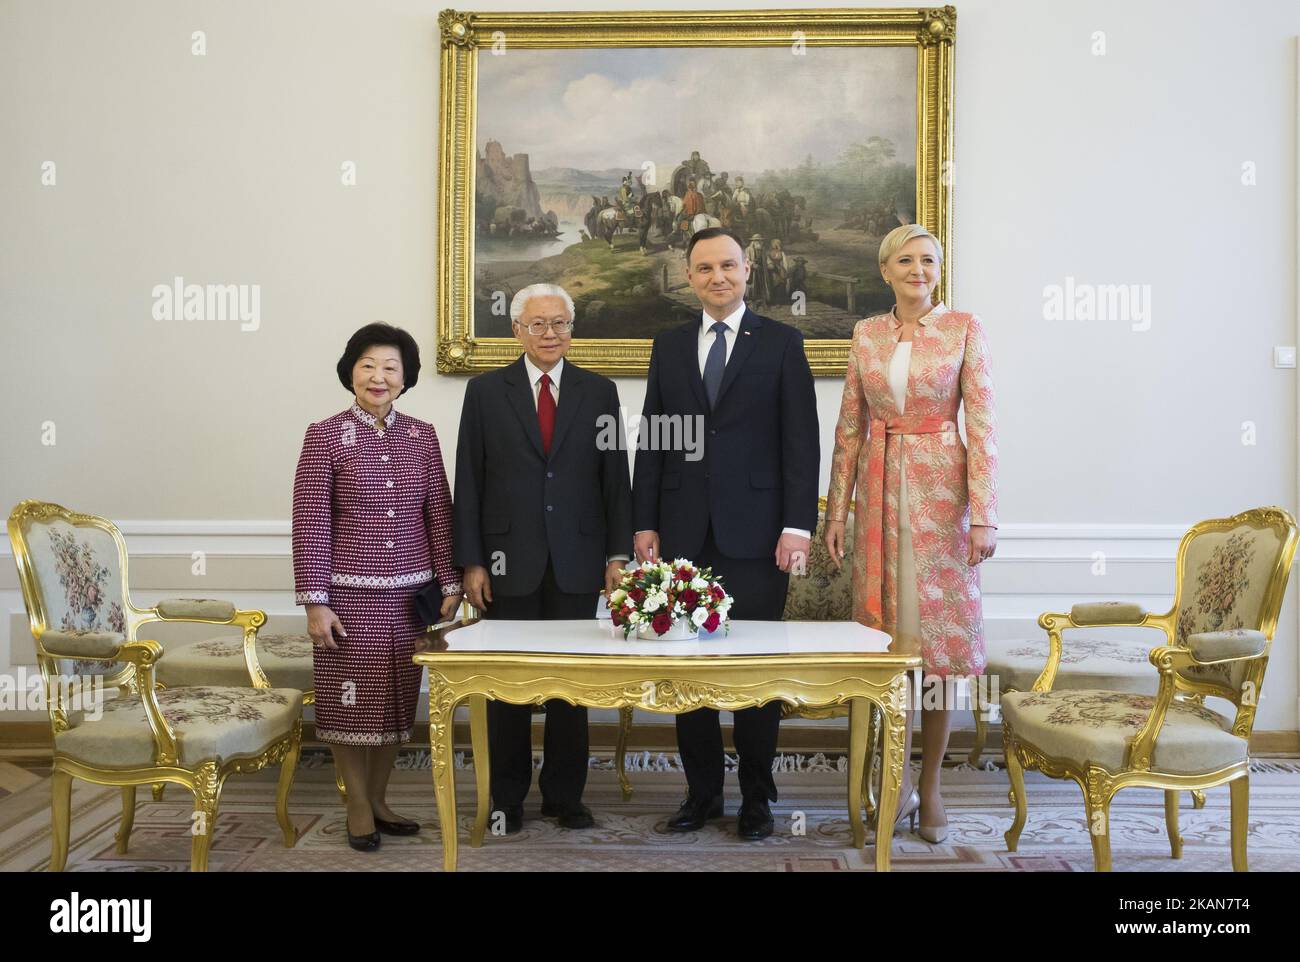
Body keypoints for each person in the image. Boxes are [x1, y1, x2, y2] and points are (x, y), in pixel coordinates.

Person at [632, 227, 819, 840]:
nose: (718, 276)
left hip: (760, 536)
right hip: (685, 533)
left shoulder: (784, 343)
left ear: (748, 270)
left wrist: (797, 526)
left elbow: (801, 443)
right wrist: (645, 522)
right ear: (690, 277)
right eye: (705, 267)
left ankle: (758, 800)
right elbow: (655, 440)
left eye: (729, 266)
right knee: (689, 676)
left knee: (756, 674)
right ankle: (702, 795)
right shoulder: (668, 344)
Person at [825, 224, 998, 843]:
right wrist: (836, 513)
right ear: (885, 270)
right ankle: (888, 780)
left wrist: (984, 514)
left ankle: (929, 786)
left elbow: (982, 426)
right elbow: (849, 427)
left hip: (942, 502)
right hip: (877, 496)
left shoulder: (963, 329)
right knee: (885, 649)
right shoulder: (866, 333)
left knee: (936, 658)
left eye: (929, 259)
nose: (919, 269)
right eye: (907, 259)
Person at [454, 283, 633, 833]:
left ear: (571, 330)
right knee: (508, 687)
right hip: (508, 561)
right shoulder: (486, 392)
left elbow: (614, 483)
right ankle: (505, 797)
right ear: (517, 331)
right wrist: (473, 562)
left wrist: (616, 556)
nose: (549, 333)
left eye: (559, 323)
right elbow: (470, 479)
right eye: (538, 324)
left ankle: (564, 795)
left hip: (578, 562)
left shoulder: (599, 392)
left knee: (569, 689)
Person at [293, 323, 463, 852]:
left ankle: (382, 798)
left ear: (405, 377)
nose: (379, 376)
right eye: (368, 364)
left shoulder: (422, 435)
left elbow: (439, 514)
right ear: (351, 371)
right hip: (348, 599)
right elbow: (311, 521)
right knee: (350, 708)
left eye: (391, 367)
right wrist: (315, 602)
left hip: (413, 600)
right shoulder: (324, 434)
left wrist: (450, 583)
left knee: (396, 706)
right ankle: (357, 804)